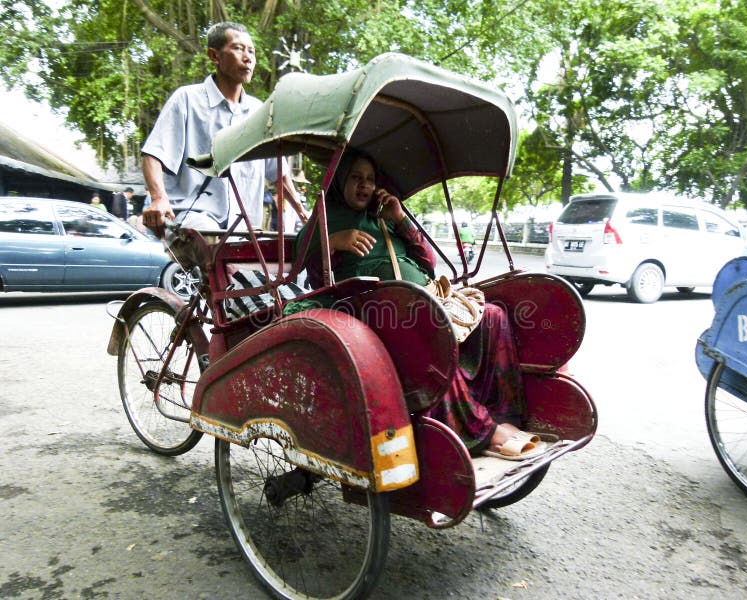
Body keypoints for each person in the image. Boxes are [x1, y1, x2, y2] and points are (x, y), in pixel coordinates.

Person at [296, 150, 537, 458]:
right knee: (429, 328)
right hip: (373, 310)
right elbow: (298, 256)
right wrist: (334, 240)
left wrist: (399, 218)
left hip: (422, 297)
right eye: (356, 178)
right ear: (341, 180)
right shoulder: (327, 215)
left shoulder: (384, 214)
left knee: (493, 316)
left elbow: (429, 262)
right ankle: (482, 430)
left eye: (370, 180)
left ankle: (503, 414)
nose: (364, 186)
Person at [140, 21, 307, 237]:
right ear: (214, 56)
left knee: (277, 261)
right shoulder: (187, 99)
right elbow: (153, 154)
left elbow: (280, 174)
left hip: (244, 229)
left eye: (251, 51)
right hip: (195, 218)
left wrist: (303, 213)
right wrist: (158, 198)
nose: (248, 57)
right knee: (214, 247)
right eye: (238, 48)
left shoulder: (260, 112)